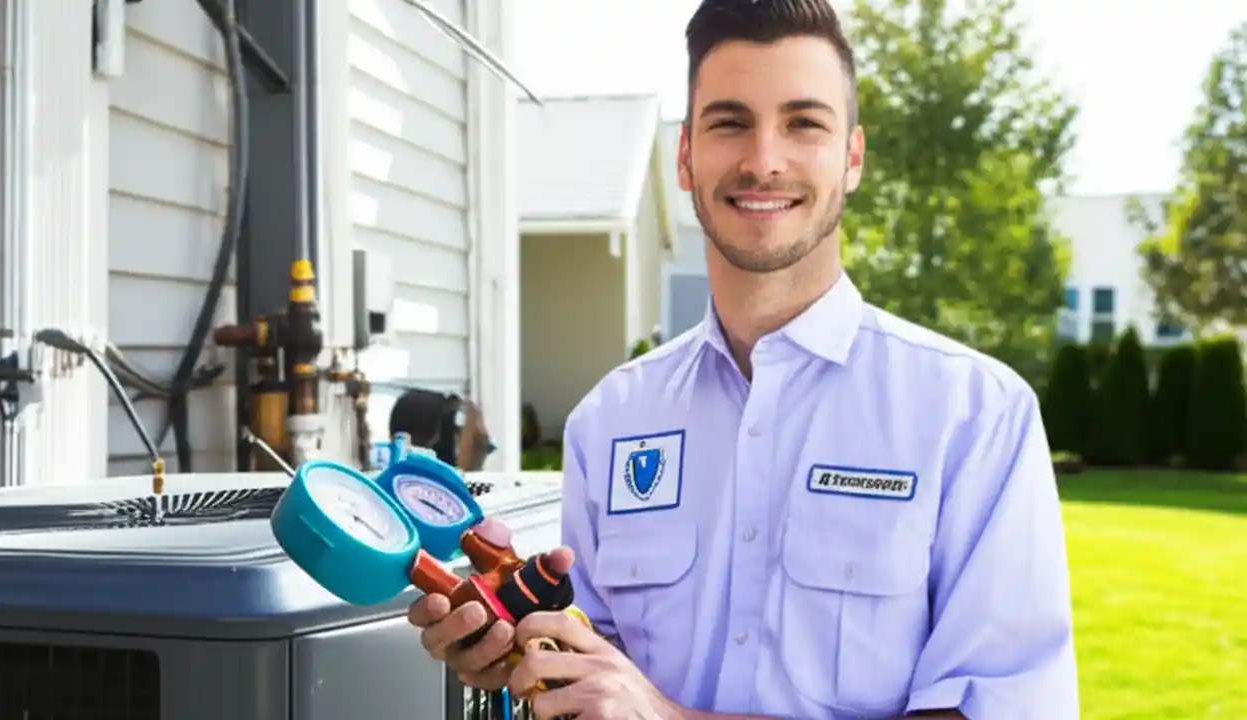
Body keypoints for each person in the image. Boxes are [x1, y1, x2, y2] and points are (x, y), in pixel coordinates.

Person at [409, 0, 1079, 717]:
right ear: (685, 157)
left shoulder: (973, 416)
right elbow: (601, 686)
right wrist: (522, 646)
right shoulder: (609, 421)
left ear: (852, 158)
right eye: (730, 123)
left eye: (803, 123)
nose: (763, 161)